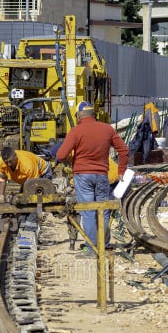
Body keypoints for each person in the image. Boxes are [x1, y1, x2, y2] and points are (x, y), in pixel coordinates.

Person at [55, 102, 129, 255]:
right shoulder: (107, 129)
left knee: (88, 211)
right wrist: (121, 170)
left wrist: (70, 161)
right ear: (93, 114)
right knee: (103, 209)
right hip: (102, 176)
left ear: (79, 115)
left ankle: (91, 249)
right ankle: (103, 245)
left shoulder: (76, 131)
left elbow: (60, 155)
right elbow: (124, 150)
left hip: (82, 176)